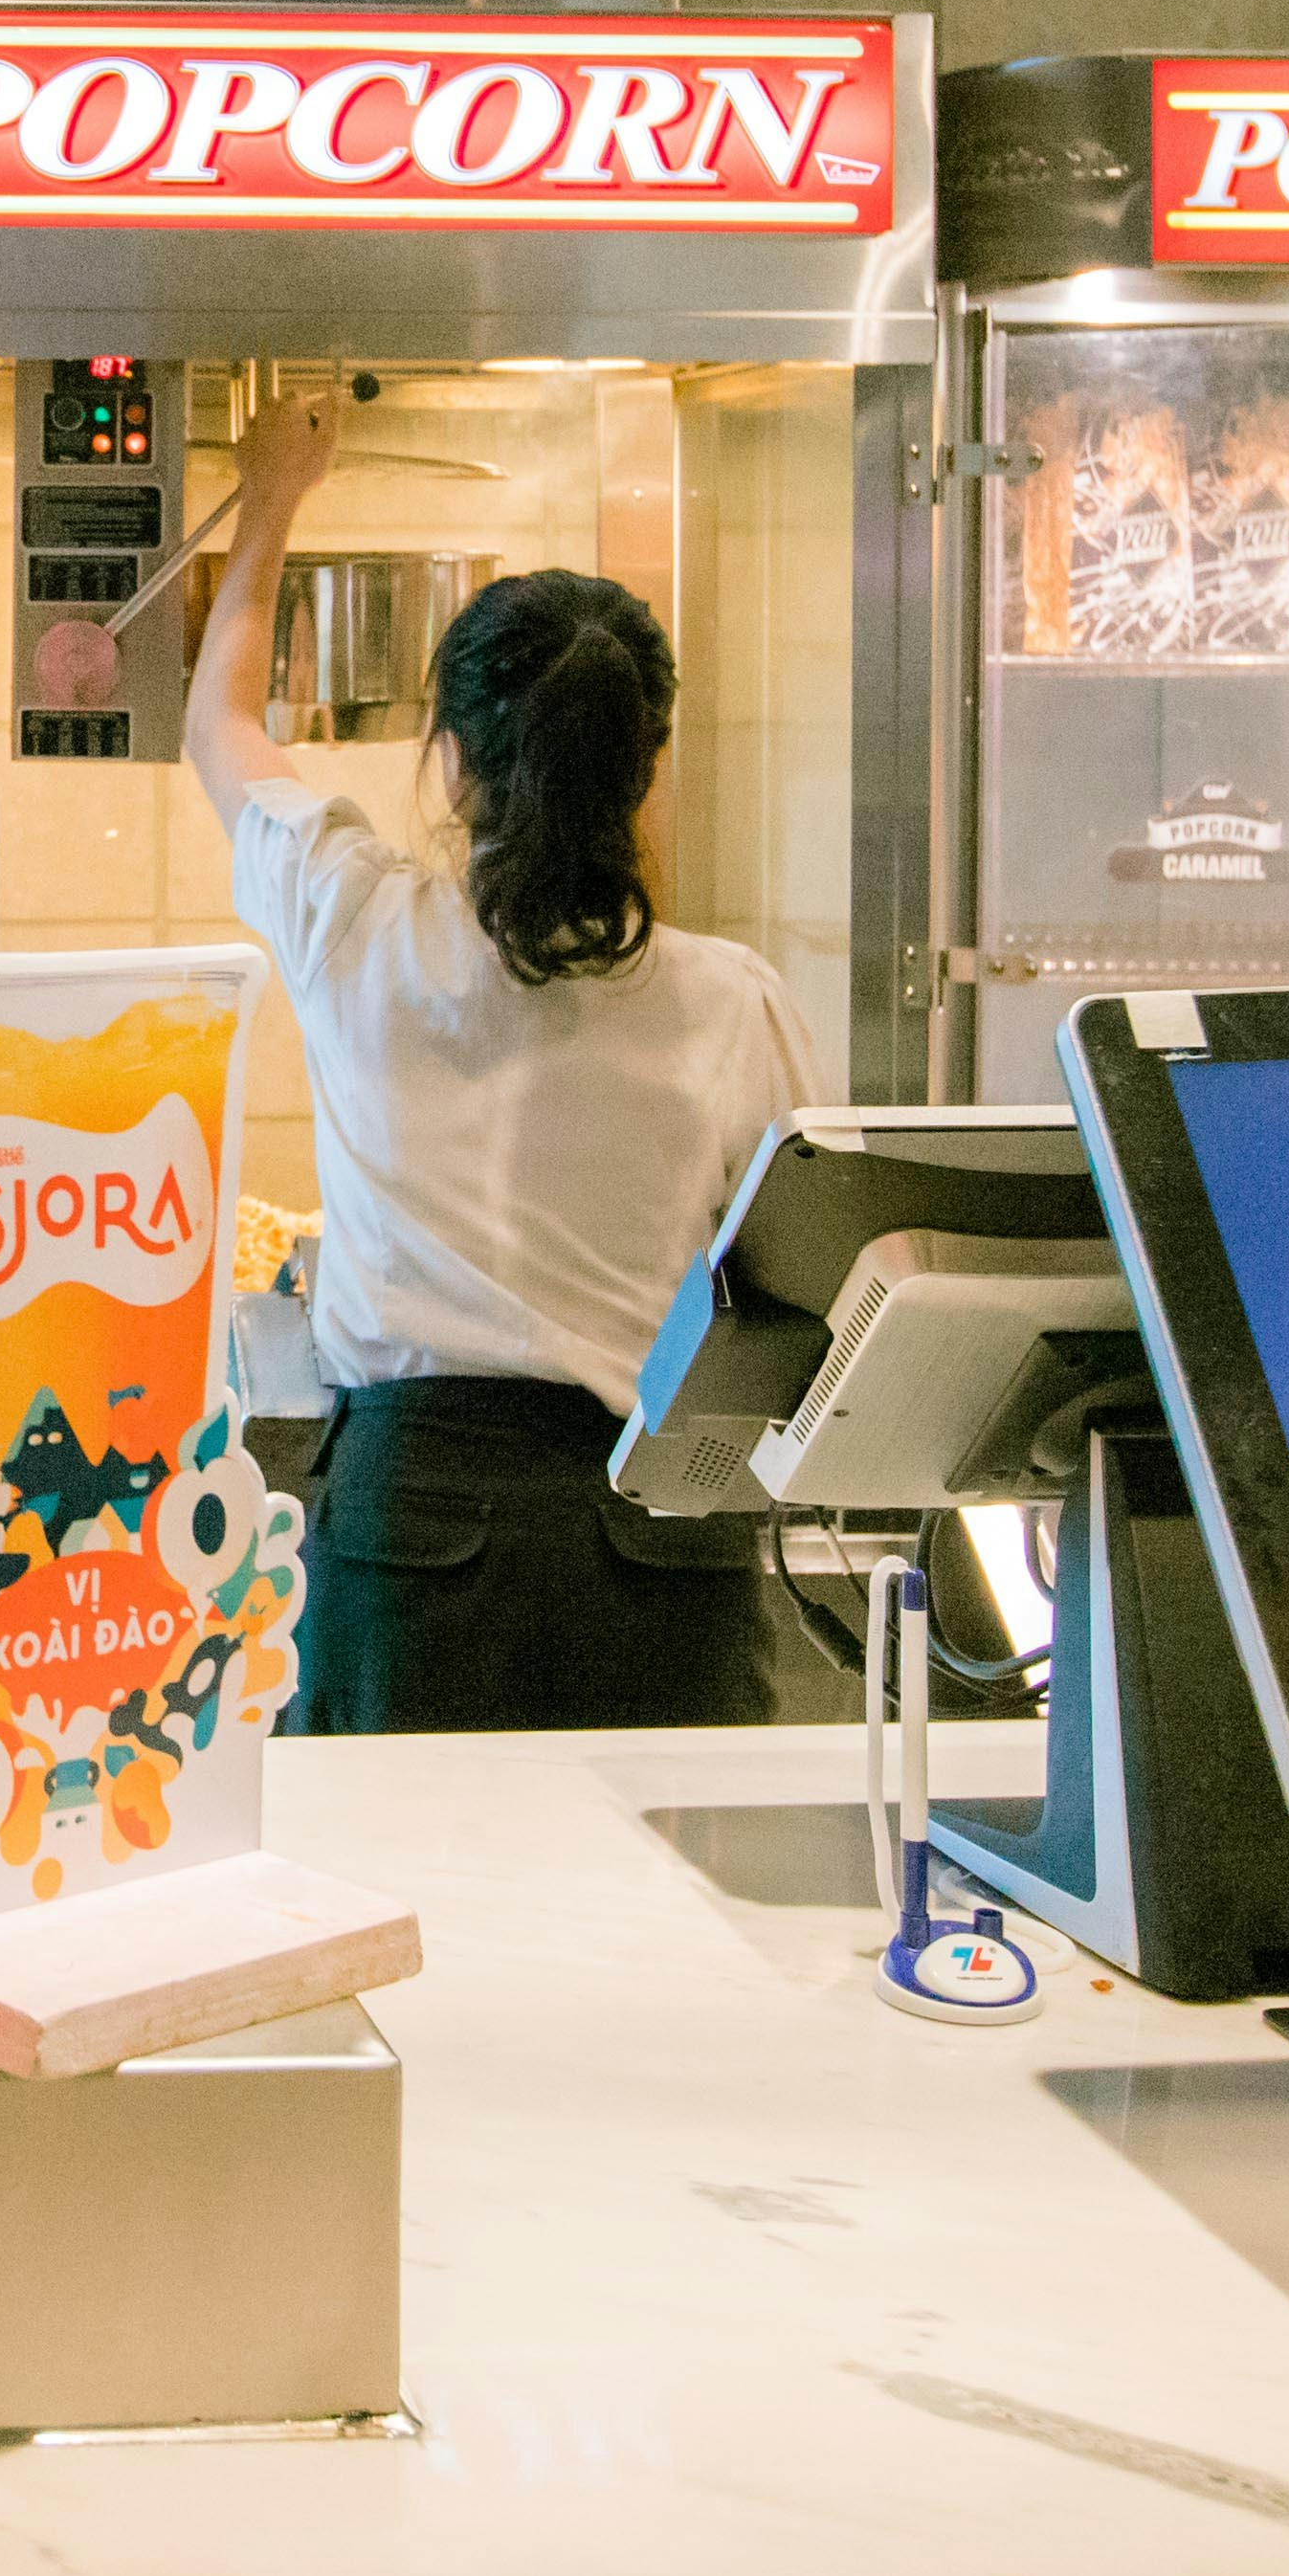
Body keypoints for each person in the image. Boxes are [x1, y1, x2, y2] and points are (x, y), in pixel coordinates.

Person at [185, 389, 820, 1732]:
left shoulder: (350, 916)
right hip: (660, 1544)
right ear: (641, 772)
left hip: (409, 1531)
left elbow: (220, 726)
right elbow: (794, 1287)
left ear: (452, 763)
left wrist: (274, 492)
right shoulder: (726, 1001)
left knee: (416, 1919)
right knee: (666, 1932)